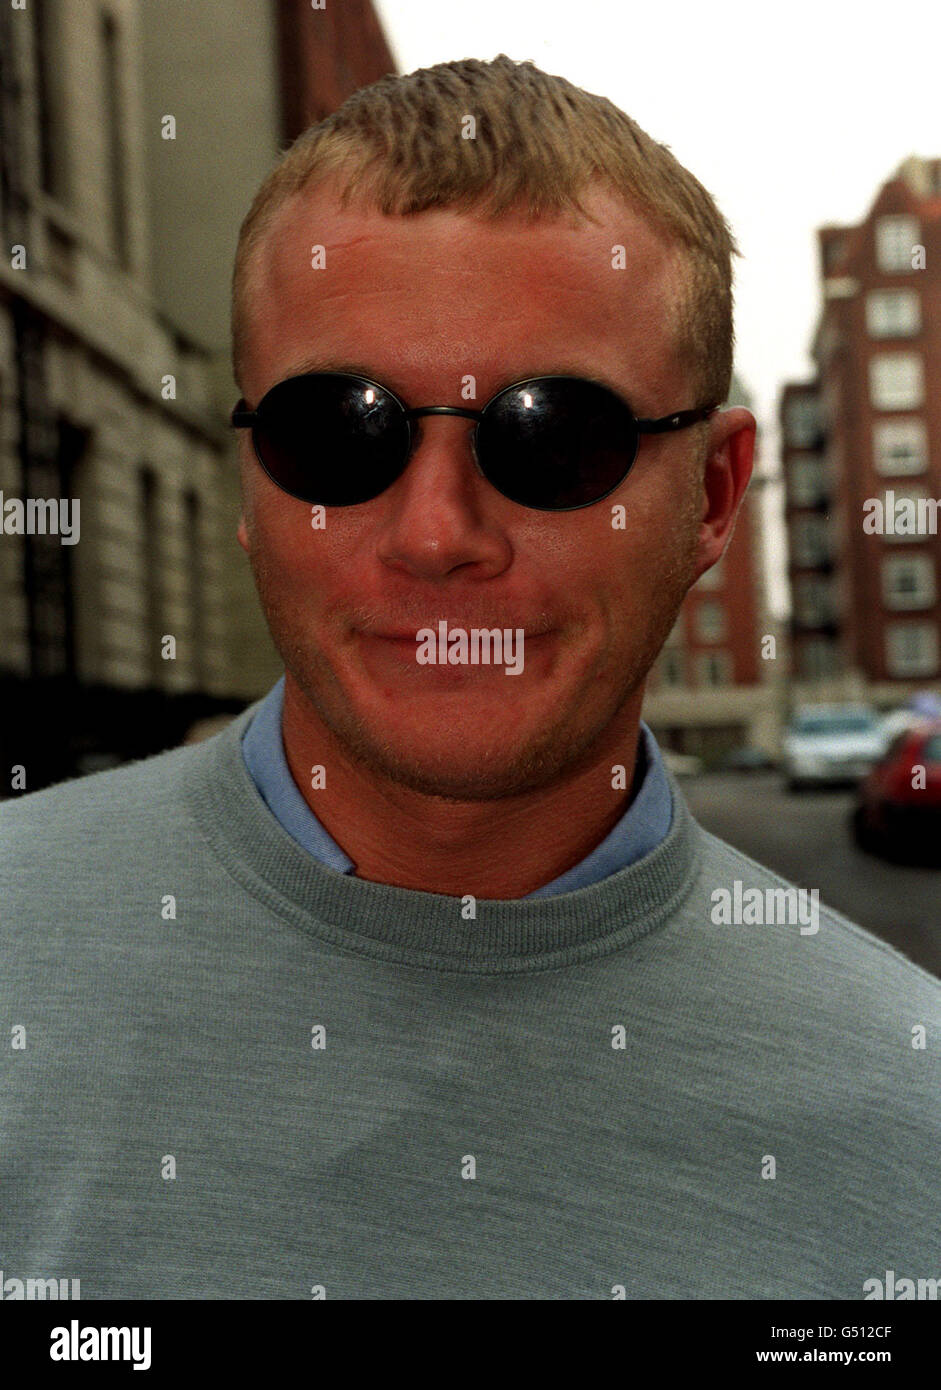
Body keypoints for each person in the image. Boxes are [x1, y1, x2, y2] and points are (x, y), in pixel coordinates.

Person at [2, 55, 937, 1301]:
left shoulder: (906, 1107)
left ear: (711, 495)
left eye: (550, 434)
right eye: (337, 431)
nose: (437, 531)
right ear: (251, 482)